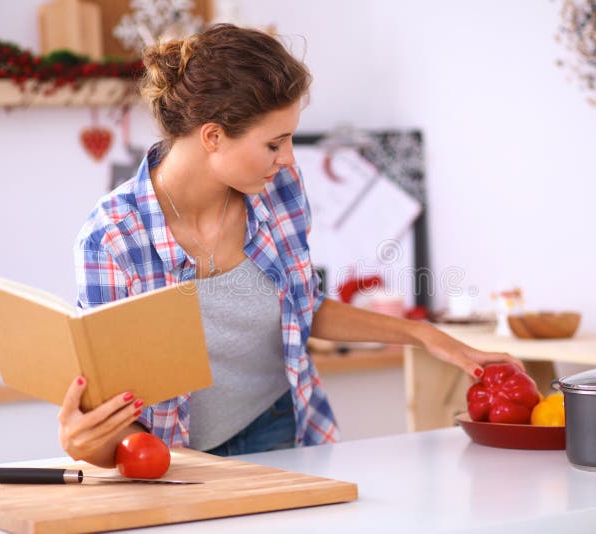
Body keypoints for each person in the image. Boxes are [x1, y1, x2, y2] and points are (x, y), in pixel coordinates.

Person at [58, 24, 522, 467]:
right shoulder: (112, 238)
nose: (289, 158)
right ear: (213, 136)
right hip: (172, 459)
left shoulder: (278, 188)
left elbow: (302, 307)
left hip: (282, 426)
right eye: (275, 143)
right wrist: (89, 444)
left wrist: (426, 337)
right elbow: (112, 396)